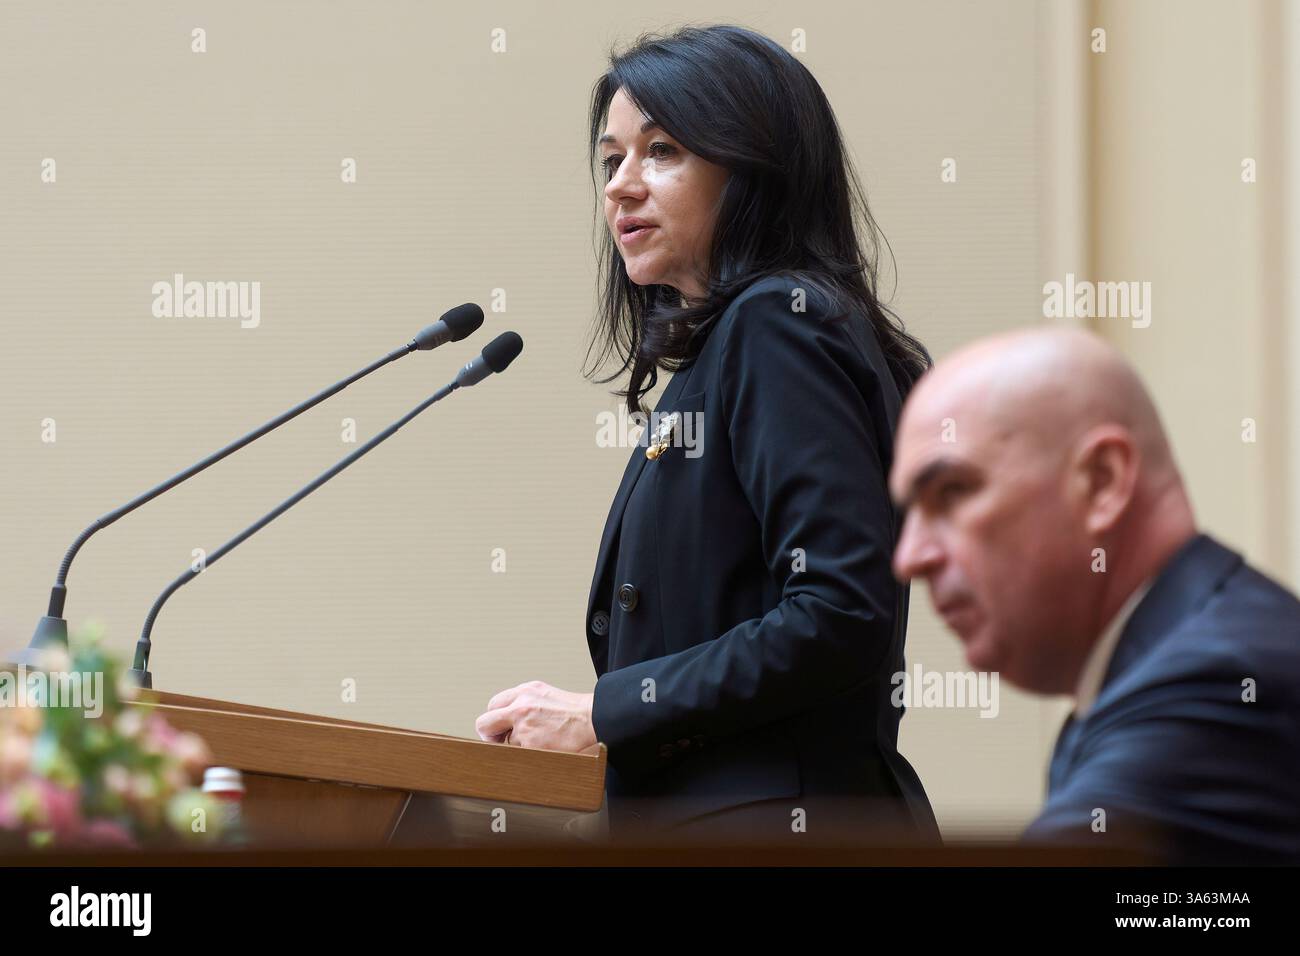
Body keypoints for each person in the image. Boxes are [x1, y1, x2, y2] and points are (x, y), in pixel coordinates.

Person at [475, 24, 937, 845]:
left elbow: (839, 610)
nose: (620, 185)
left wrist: (609, 712)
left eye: (662, 151)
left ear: (754, 169)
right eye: (610, 158)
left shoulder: (777, 324)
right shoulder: (738, 341)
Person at [889, 326, 1300, 864]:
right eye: (909, 514)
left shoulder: (1212, 686)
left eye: (953, 493)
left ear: (1103, 482)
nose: (909, 558)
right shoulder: (1162, 662)